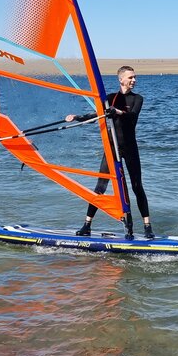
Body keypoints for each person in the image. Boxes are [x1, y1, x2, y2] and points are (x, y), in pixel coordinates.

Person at [65, 65, 154, 239]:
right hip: (112, 148)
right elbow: (95, 115)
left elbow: (132, 116)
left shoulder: (138, 99)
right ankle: (87, 225)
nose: (133, 80)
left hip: (130, 148)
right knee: (100, 186)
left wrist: (117, 111)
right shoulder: (110, 98)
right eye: (130, 77)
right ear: (121, 79)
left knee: (137, 186)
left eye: (134, 77)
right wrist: (77, 117)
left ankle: (147, 226)